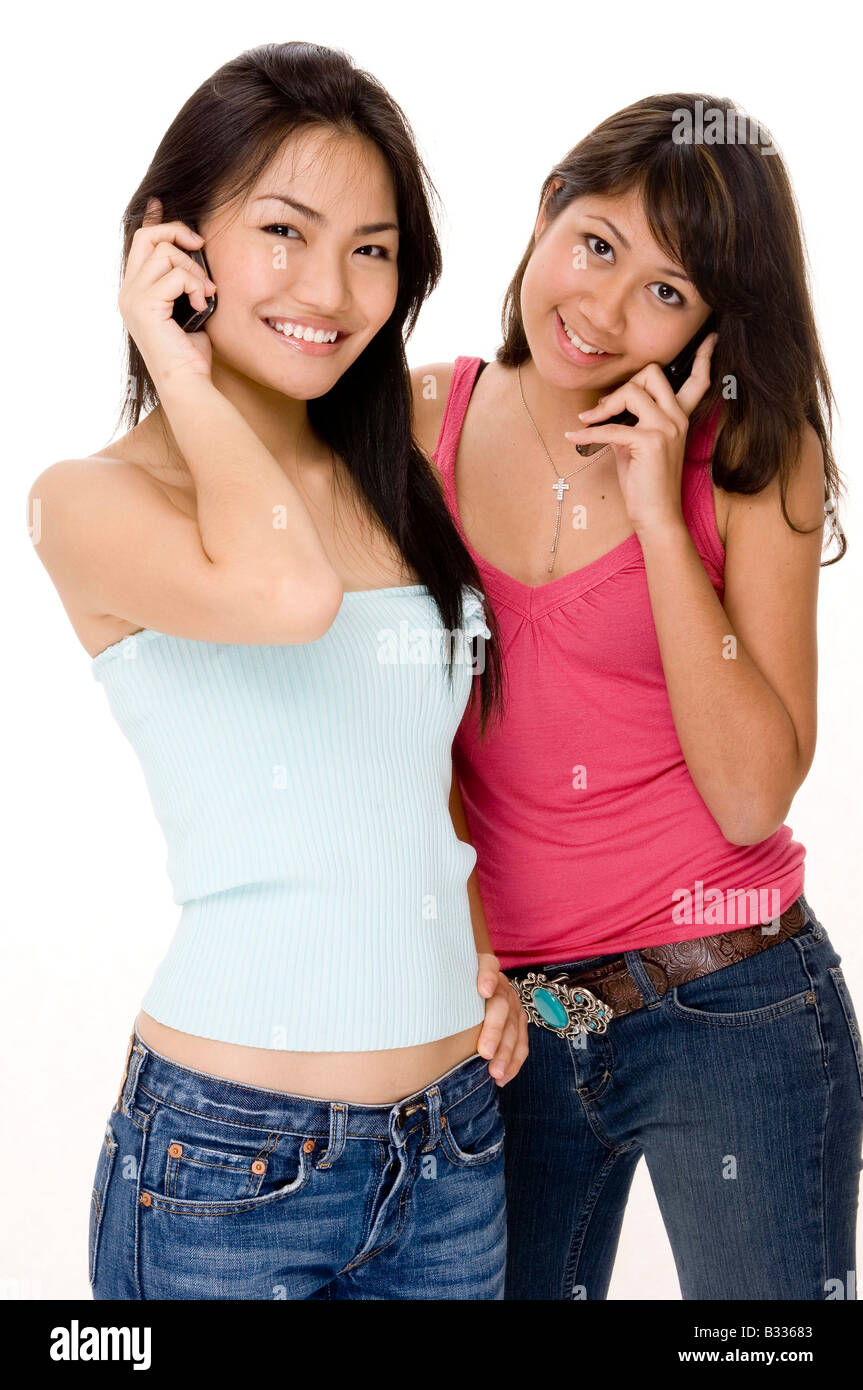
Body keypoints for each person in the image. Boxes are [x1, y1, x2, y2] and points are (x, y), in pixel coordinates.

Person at [28, 40, 526, 1301]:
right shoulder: (87, 500)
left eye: (370, 247)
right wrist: (178, 363)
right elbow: (285, 595)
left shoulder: (395, 479)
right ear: (174, 244)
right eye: (285, 233)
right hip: (225, 1167)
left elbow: (421, 776)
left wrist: (478, 955)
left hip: (451, 1146)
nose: (333, 287)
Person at [410, 92, 863, 1300]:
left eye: (665, 291)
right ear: (548, 205)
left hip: (730, 1003)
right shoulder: (420, 423)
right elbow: (393, 737)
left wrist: (661, 515)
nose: (603, 311)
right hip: (511, 1027)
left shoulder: (757, 459)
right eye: (596, 245)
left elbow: (750, 789)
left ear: (712, 323)